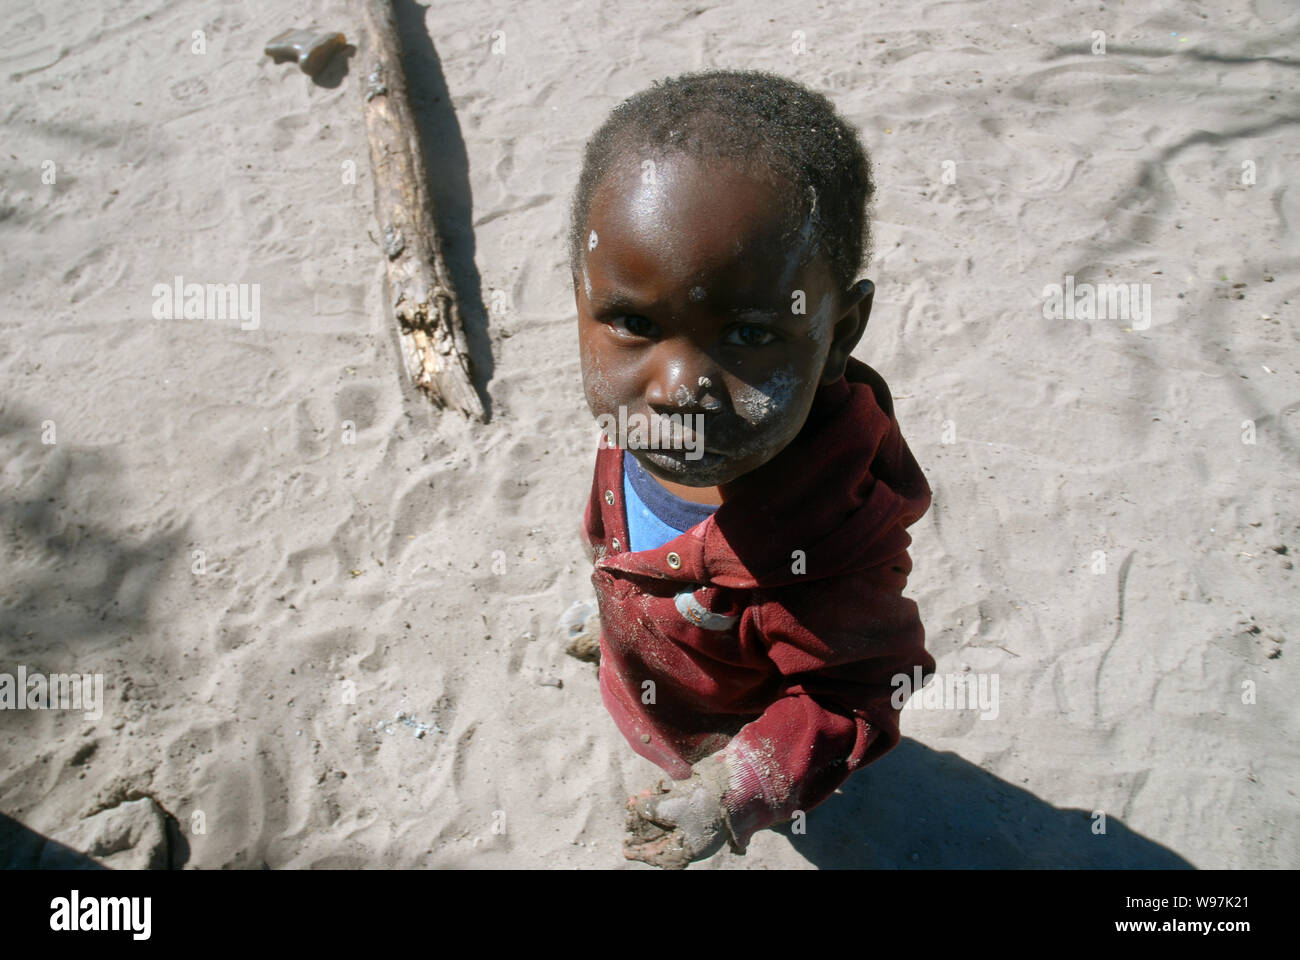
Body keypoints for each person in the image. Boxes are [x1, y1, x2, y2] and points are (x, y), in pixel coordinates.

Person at [570, 69, 933, 869]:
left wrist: (734, 787)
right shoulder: (638, 431)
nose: (677, 390)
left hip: (722, 727)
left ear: (841, 331)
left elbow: (857, 693)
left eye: (746, 334)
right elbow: (610, 522)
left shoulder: (828, 557)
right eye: (634, 321)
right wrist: (615, 603)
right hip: (656, 678)